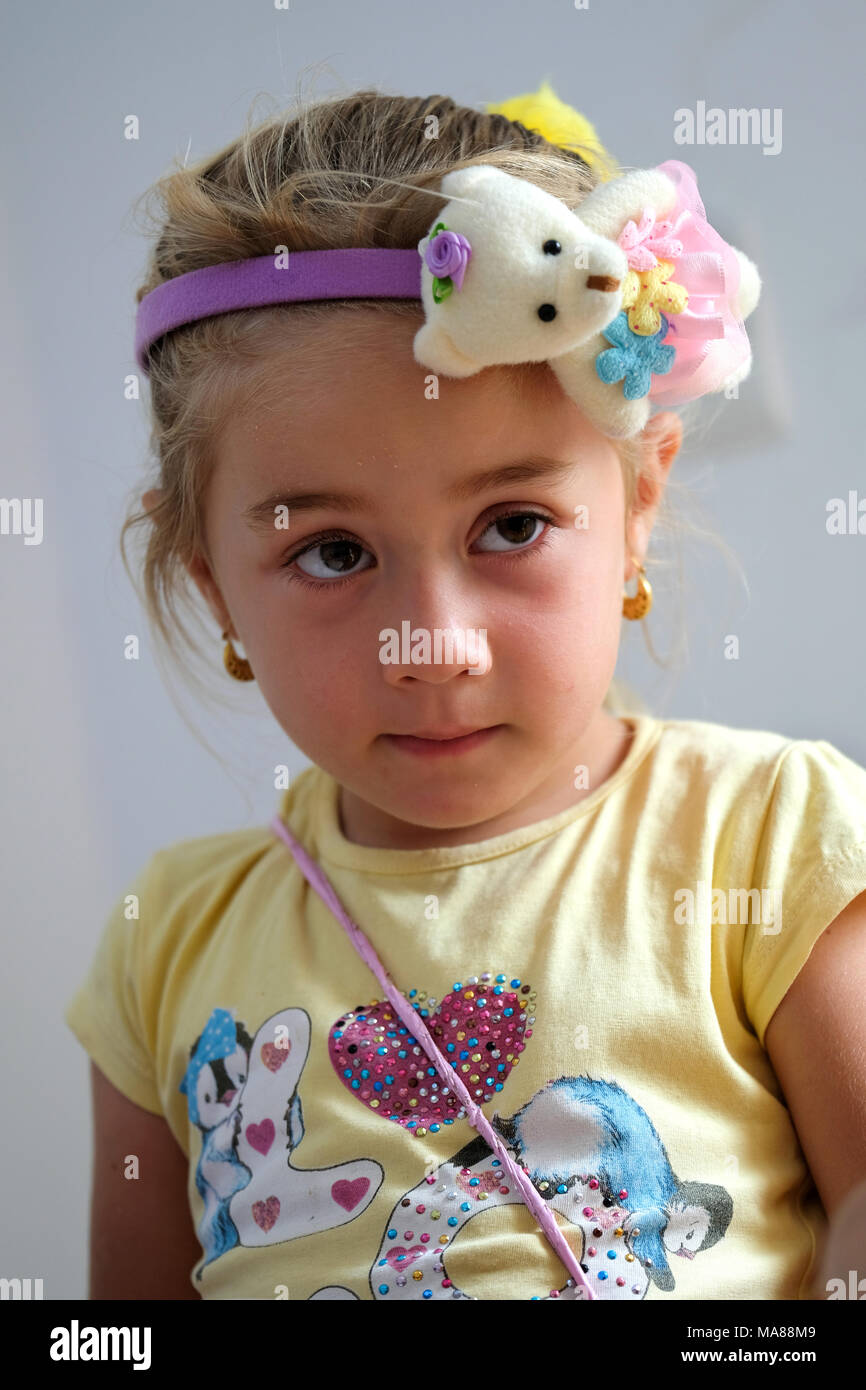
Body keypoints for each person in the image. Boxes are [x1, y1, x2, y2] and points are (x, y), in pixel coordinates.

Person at [65, 81, 866, 1302]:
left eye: (511, 524)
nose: (429, 646)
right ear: (213, 582)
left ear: (636, 504)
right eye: (330, 551)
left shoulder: (767, 836)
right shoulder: (165, 946)